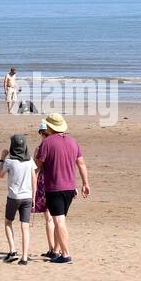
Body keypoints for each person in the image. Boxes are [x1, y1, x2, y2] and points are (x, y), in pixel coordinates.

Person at [33, 113, 90, 264]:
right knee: (61, 220)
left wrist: (28, 181)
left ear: (50, 127)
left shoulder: (47, 143)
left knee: (59, 222)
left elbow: (37, 167)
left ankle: (65, 255)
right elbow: (81, 164)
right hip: (70, 188)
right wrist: (85, 183)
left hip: (54, 188)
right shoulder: (73, 142)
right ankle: (58, 251)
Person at [0, 133, 36, 265]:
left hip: (14, 197)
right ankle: (24, 257)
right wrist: (34, 196)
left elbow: (0, 175)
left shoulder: (9, 161)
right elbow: (33, 178)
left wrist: (2, 158)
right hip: (27, 196)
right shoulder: (30, 160)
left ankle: (13, 250)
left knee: (8, 222)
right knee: (25, 227)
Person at [32, 120, 58, 258]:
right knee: (56, 218)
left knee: (49, 218)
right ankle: (54, 249)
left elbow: (36, 169)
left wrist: (33, 188)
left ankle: (52, 248)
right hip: (57, 182)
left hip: (44, 183)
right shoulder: (56, 146)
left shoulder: (40, 148)